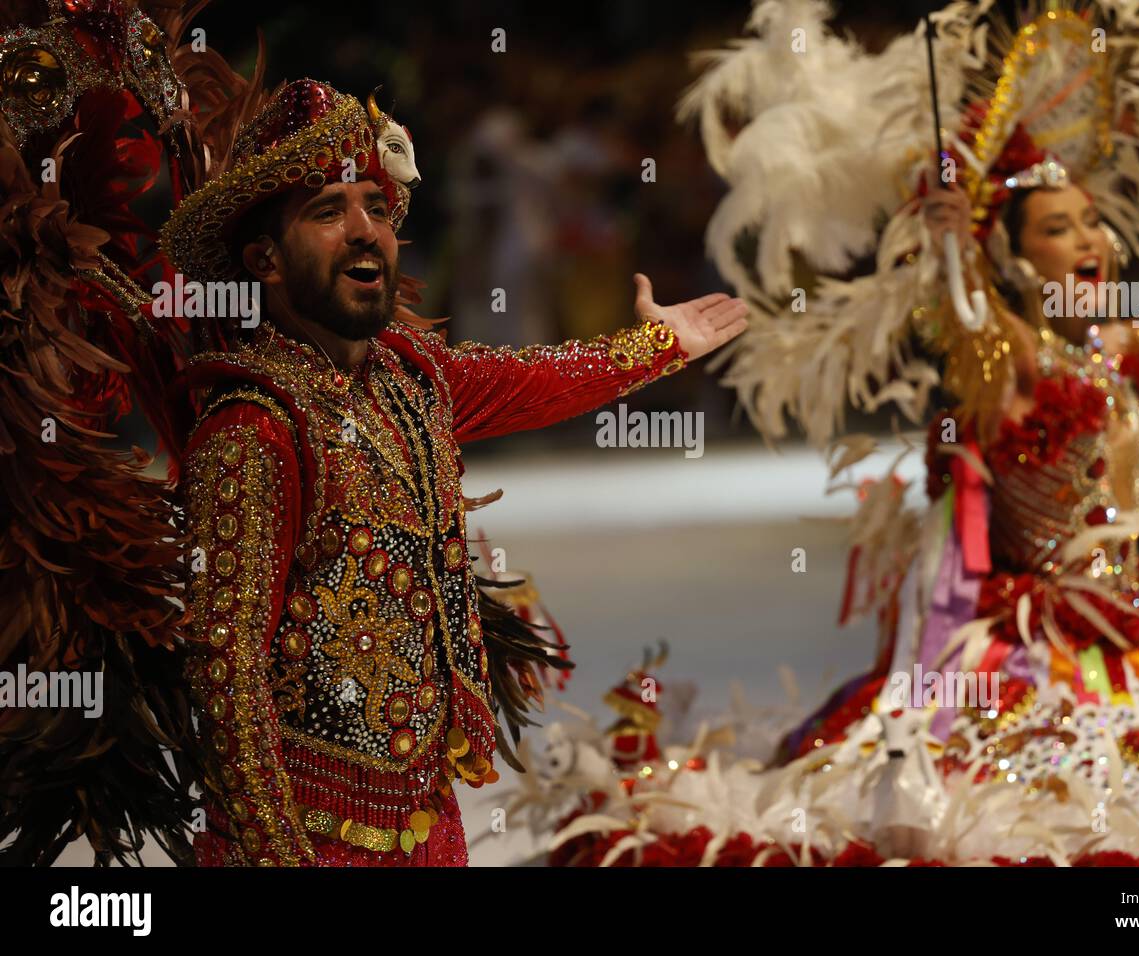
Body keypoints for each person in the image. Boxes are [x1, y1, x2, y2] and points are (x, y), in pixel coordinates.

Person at [541, 0, 1139, 866]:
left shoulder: (1118, 347)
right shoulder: (1009, 361)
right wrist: (954, 253)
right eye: (1059, 227)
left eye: (1092, 221)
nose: (1090, 240)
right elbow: (969, 321)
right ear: (1014, 257)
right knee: (1056, 819)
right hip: (1032, 653)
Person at [155, 78, 748, 867]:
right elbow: (226, 684)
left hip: (433, 831)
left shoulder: (411, 382)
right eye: (328, 212)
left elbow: (534, 377)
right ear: (265, 259)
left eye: (376, 204)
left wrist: (656, 347)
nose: (365, 231)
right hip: (308, 843)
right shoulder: (252, 432)